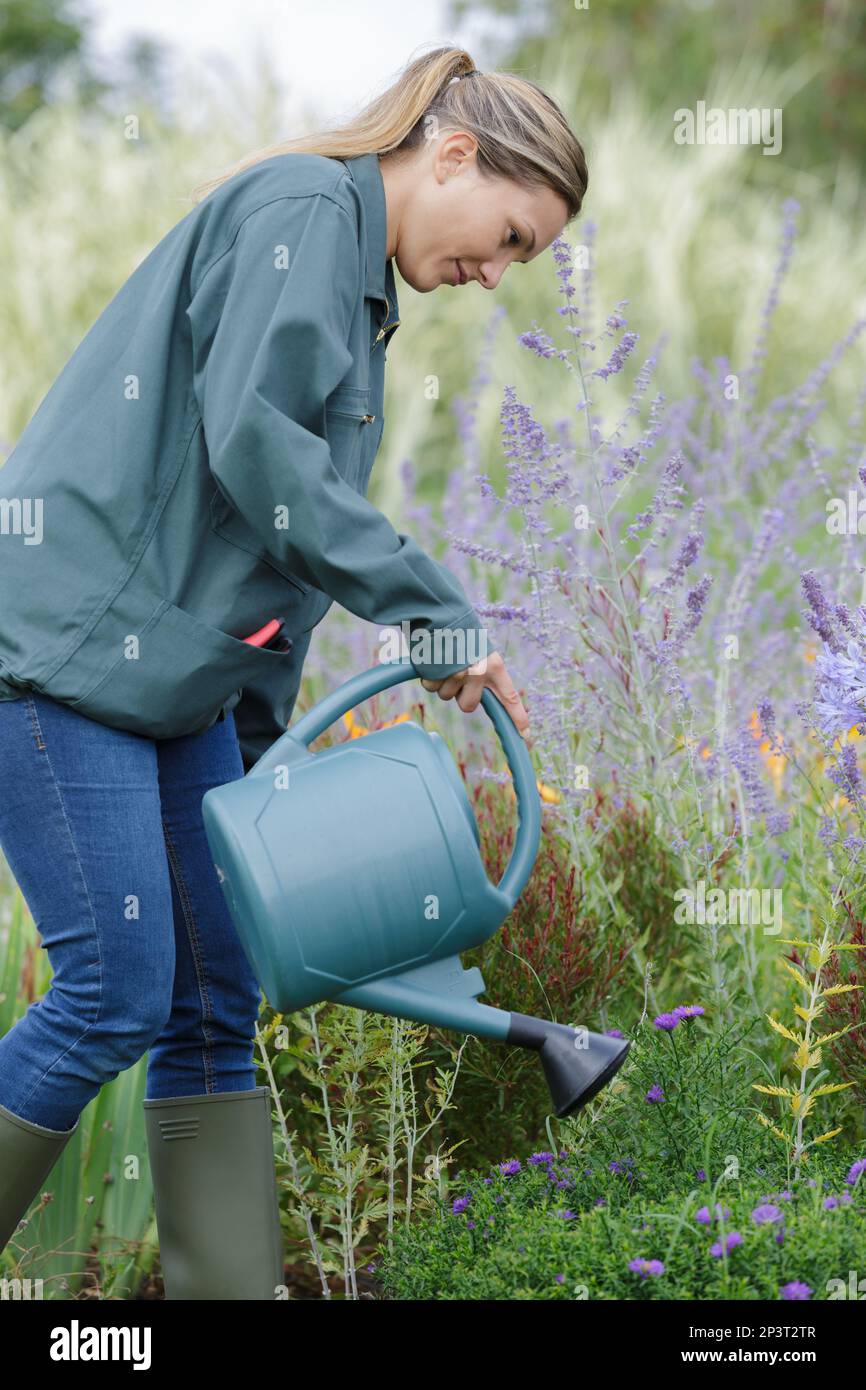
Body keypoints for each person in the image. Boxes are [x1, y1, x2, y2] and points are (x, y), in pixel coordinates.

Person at [0, 44, 587, 1298]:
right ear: (452, 153)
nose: (493, 272)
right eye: (510, 236)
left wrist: (266, 749)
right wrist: (436, 615)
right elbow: (262, 459)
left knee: (214, 1001)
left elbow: (277, 553)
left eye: (520, 259)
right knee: (113, 991)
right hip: (66, 653)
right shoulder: (305, 209)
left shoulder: (356, 288)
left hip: (172, 685)